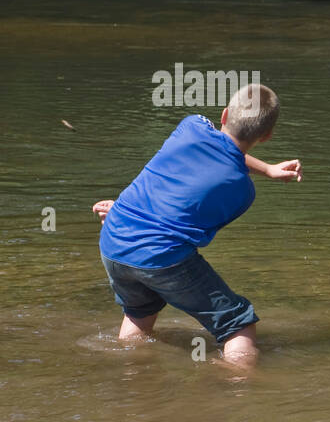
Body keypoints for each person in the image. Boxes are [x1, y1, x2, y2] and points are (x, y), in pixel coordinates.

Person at [93, 84, 301, 368]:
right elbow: (191, 220)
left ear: (224, 114)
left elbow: (211, 152)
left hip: (114, 238)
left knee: (140, 312)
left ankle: (130, 374)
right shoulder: (242, 192)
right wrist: (265, 170)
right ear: (267, 137)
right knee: (238, 323)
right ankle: (239, 388)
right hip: (158, 254)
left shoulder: (192, 126)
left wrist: (128, 214)